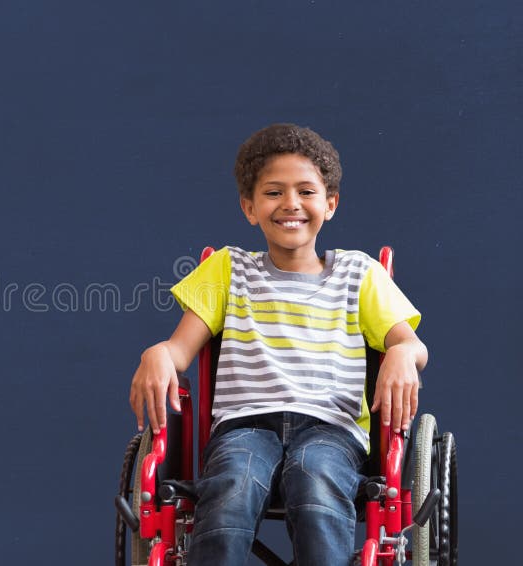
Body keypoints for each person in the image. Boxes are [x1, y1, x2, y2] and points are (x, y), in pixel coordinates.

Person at [128, 123, 427, 565]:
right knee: (232, 484)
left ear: (331, 204)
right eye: (273, 193)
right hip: (246, 424)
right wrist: (157, 353)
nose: (291, 204)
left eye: (306, 191)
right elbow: (179, 350)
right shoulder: (229, 270)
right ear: (249, 207)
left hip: (330, 428)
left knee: (316, 478)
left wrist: (402, 351)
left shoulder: (359, 273)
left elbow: (412, 344)